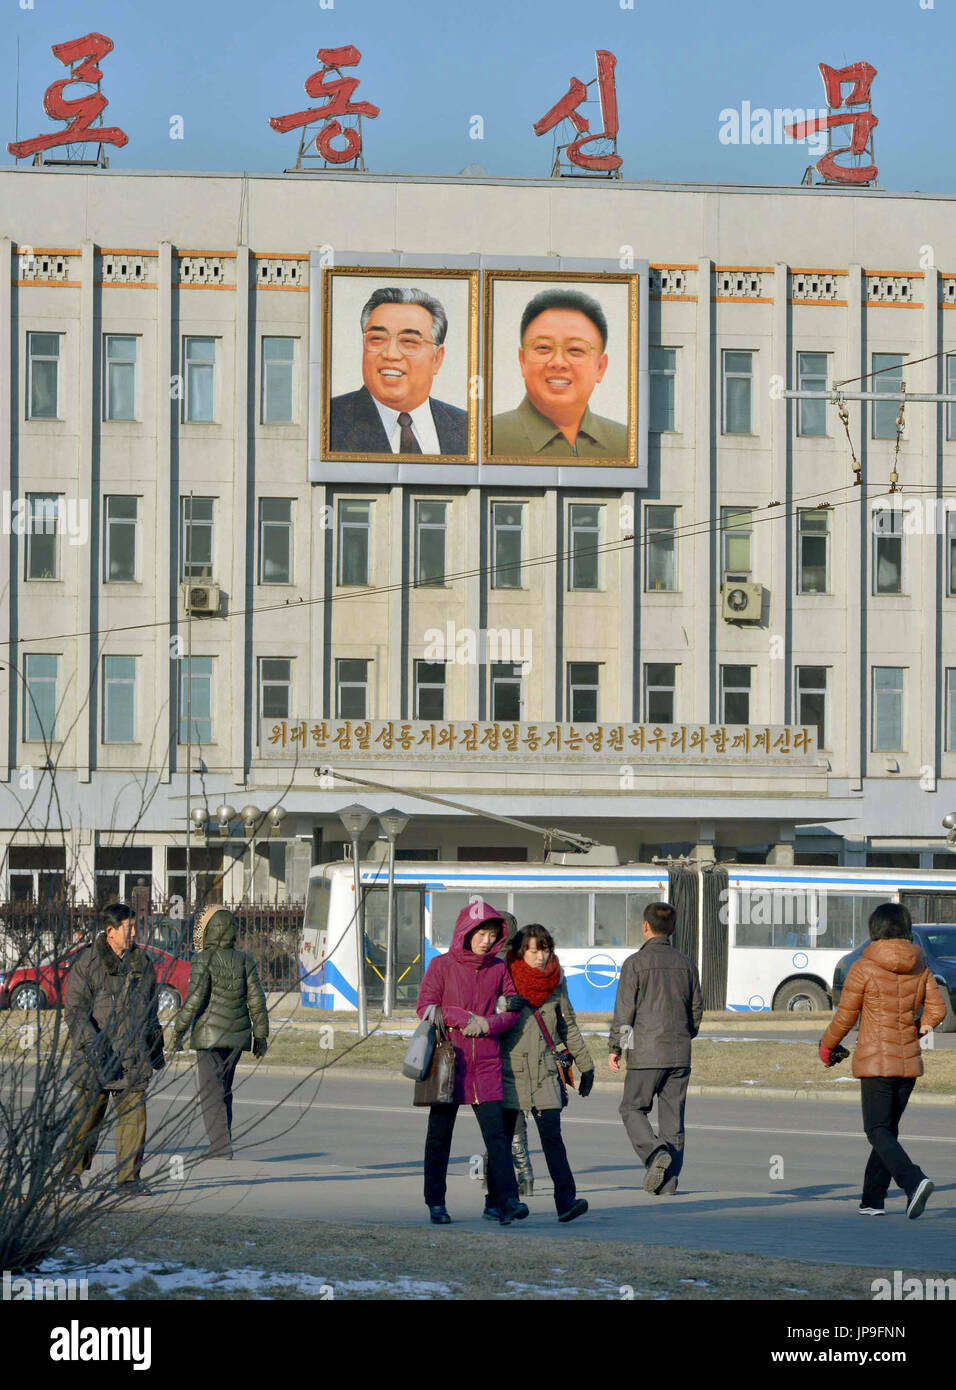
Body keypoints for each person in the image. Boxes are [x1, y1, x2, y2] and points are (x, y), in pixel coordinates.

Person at [820, 901, 946, 1219]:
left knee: (877, 1130)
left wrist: (827, 1046)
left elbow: (845, 1016)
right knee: (887, 1129)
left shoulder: (863, 967)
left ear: (874, 929)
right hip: (908, 1065)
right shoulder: (921, 966)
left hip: (877, 1062)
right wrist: (917, 1030)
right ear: (905, 928)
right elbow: (937, 1009)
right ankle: (872, 1200)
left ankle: (913, 1180)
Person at [416, 899, 527, 1225]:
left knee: (498, 1137)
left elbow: (512, 1012)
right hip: (449, 1060)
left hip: (487, 1063)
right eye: (481, 933)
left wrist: (488, 1024)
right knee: (439, 1135)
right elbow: (425, 1007)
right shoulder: (442, 966)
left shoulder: (498, 969)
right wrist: (464, 1018)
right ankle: (436, 1201)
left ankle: (505, 1202)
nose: (487, 940)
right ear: (466, 932)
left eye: (493, 934)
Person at [63, 902, 165, 1196]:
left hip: (133, 1057)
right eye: (129, 927)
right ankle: (71, 1173)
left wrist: (155, 1045)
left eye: (136, 926)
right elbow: (75, 1012)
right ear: (111, 931)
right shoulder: (88, 964)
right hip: (96, 1057)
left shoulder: (142, 964)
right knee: (86, 1120)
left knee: (135, 1116)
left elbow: (150, 1010)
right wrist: (94, 1044)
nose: (135, 932)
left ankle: (128, 1179)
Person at [496, 924, 595, 1223]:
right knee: (500, 1142)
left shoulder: (556, 981)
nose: (541, 956)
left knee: (553, 1139)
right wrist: (503, 1007)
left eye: (545, 949)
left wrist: (586, 1065)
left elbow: (569, 1025)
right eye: (534, 950)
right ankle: (501, 1202)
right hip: (511, 1071)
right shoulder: (505, 977)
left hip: (545, 1073)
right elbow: (489, 1019)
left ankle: (565, 1201)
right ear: (521, 951)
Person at [609, 901, 703, 1195]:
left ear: (645, 926)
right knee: (673, 1120)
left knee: (632, 1107)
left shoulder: (635, 963)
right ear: (671, 929)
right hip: (679, 1052)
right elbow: (696, 1008)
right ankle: (669, 1184)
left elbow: (625, 1012)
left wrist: (617, 1047)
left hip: (646, 1053)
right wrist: (686, 1035)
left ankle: (653, 1152)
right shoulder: (687, 963)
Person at [172, 906, 269, 1159]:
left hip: (209, 1036)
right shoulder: (245, 961)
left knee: (210, 1092)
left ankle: (220, 1148)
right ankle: (222, 1142)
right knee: (224, 1091)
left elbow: (195, 999)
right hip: (237, 1037)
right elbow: (257, 1000)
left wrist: (178, 1030)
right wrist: (261, 1036)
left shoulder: (202, 960)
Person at [329, 286, 468, 454]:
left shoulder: (468, 428)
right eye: (377, 339)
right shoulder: (328, 420)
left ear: (437, 358)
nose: (390, 354)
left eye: (409, 341)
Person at [491, 287, 628, 457]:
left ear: (600, 367)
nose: (558, 362)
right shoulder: (487, 438)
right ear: (522, 360)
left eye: (575, 350)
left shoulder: (625, 444)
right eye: (543, 347)